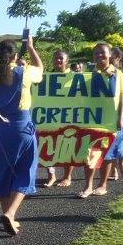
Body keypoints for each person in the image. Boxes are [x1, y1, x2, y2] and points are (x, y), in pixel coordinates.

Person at [0, 37, 43, 235]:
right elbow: (40, 69)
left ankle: (8, 216)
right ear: (16, 55)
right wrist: (31, 48)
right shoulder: (25, 73)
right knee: (26, 169)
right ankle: (10, 213)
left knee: (2, 172)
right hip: (22, 128)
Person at [78, 42, 123, 198]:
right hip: (92, 119)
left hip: (109, 120)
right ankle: (88, 186)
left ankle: (102, 185)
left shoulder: (118, 75)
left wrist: (120, 118)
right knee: (90, 152)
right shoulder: (89, 75)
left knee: (107, 154)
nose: (99, 55)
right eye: (96, 53)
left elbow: (122, 99)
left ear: (110, 55)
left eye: (102, 52)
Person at [95, 46, 123, 192]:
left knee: (121, 140)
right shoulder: (98, 73)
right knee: (109, 142)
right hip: (104, 107)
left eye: (112, 57)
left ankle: (120, 162)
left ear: (117, 58)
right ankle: (114, 169)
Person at [43, 49, 75, 188]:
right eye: (55, 58)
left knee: (68, 147)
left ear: (67, 61)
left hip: (68, 117)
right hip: (50, 117)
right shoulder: (46, 77)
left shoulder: (74, 77)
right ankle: (51, 175)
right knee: (47, 147)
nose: (58, 60)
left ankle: (67, 177)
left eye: (61, 58)